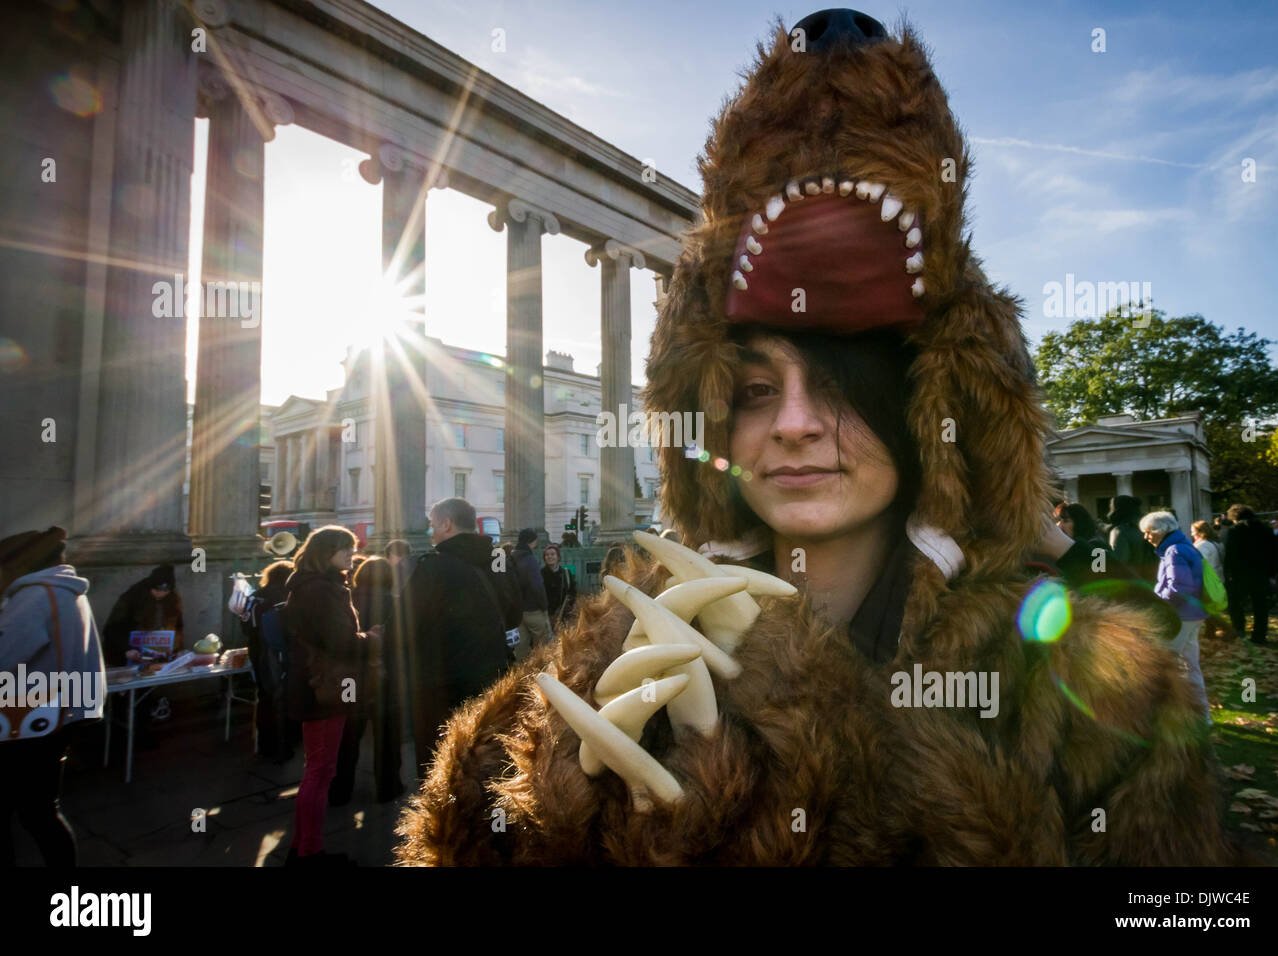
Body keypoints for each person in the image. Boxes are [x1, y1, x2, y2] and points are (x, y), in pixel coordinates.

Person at [396, 12, 1233, 866]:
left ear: (926, 412)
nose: (793, 424)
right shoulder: (595, 659)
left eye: (840, 388)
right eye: (756, 391)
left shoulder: (1094, 680)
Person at [0, 528, 105, 867]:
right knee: (42, 811)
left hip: (26, 720)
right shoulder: (68, 591)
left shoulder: (35, 596)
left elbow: (6, 656)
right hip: (59, 714)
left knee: (33, 814)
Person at [400, 498, 518, 775]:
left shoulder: (432, 567)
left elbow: (402, 628)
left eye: (432, 526)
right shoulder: (497, 560)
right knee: (487, 760)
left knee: (443, 768)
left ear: (446, 524)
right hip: (491, 677)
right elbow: (513, 615)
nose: (431, 533)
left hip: (441, 685)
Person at [283, 525, 376, 865]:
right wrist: (374, 637)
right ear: (327, 552)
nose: (353, 555)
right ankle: (309, 853)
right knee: (320, 771)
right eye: (346, 549)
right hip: (322, 689)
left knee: (319, 770)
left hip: (314, 685)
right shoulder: (322, 591)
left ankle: (303, 845)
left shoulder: (311, 586)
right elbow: (341, 642)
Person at [330, 556, 403, 805]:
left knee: (346, 736)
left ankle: (340, 790)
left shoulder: (345, 600)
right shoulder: (396, 605)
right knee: (387, 736)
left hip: (350, 678)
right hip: (385, 677)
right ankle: (388, 787)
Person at [1140, 512, 1211, 721]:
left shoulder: (1174, 551)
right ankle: (1201, 715)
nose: (1146, 537)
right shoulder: (1183, 547)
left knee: (1163, 665)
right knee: (1190, 667)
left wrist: (1158, 603)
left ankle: (1163, 716)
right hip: (1193, 614)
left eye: (1148, 532)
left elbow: (1179, 588)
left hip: (1180, 616)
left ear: (1160, 531)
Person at [240, 560, 298, 763]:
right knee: (284, 698)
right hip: (281, 653)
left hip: (258, 652)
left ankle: (265, 744)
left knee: (264, 696)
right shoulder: (288, 596)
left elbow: (245, 628)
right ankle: (285, 744)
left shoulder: (255, 596)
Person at [102, 564, 183, 665]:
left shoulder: (173, 601)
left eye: (165, 591)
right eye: (156, 590)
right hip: (128, 655)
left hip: (159, 656)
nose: (160, 594)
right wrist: (126, 649)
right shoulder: (131, 598)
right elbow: (112, 629)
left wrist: (176, 650)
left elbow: (178, 628)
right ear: (149, 587)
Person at [1223, 504, 1274, 644]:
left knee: (1236, 604)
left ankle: (1238, 631)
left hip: (1240, 573)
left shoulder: (1234, 530)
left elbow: (1230, 554)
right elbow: (1273, 553)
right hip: (1261, 572)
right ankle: (1259, 635)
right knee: (1261, 605)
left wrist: (1229, 572)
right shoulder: (1266, 529)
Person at [512, 529, 552, 654]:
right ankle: (539, 671)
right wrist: (544, 606)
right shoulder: (530, 559)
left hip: (517, 611)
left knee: (520, 649)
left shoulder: (510, 557)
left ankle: (522, 672)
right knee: (542, 647)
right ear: (532, 542)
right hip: (533, 610)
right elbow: (537, 586)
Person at [1104, 495, 1157, 582]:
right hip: (1152, 582)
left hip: (1130, 585)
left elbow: (1118, 563)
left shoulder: (1119, 531)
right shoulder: (1148, 529)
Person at [540, 544, 577, 632]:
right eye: (547, 555)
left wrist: (567, 607)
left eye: (552, 554)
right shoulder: (540, 574)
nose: (549, 557)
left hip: (563, 615)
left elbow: (572, 592)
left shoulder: (566, 573)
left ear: (558, 557)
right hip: (545, 616)